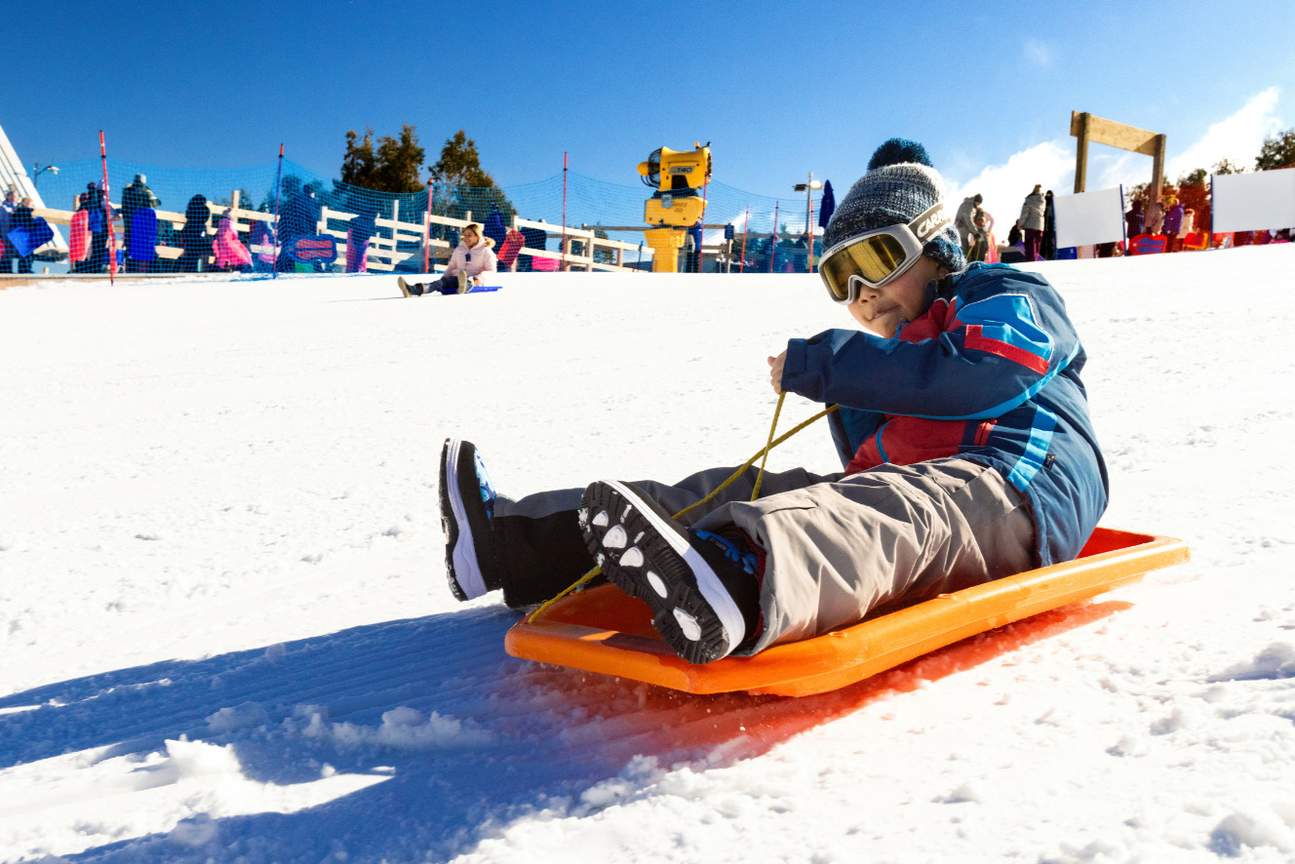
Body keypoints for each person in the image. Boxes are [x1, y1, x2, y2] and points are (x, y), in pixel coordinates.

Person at [436, 138, 1108, 665]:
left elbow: (982, 378)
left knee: (896, 512)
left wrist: (837, 365)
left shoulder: (1003, 294)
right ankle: (512, 544)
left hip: (1021, 489)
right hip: (922, 492)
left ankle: (742, 577)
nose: (861, 294)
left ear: (935, 247)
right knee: (751, 489)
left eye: (876, 259)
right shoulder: (894, 355)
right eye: (839, 279)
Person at [398, 222, 497, 296]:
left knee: (468, 281)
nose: (466, 238)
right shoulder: (459, 250)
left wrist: (478, 279)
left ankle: (466, 286)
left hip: (475, 280)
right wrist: (444, 279)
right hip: (455, 278)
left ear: (478, 236)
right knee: (438, 284)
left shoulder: (486, 251)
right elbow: (452, 265)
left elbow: (491, 270)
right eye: (464, 235)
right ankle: (412, 290)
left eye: (469, 235)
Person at [176, 194, 212, 272]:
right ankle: (200, 270)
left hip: (190, 232)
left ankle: (189, 269)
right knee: (201, 253)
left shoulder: (190, 210)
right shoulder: (205, 209)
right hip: (199, 232)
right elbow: (205, 218)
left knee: (190, 254)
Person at [1019, 184, 1045, 261]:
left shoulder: (1029, 200)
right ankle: (1036, 260)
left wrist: (1020, 224)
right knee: (1037, 245)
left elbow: (1025, 213)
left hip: (1030, 225)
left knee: (1030, 245)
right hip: (1040, 225)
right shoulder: (1043, 200)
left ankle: (1031, 262)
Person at [0, 189, 15, 274]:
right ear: (8, 196)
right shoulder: (4, 207)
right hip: (4, 232)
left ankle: (8, 269)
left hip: (13, 234)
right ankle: (3, 269)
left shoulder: (16, 207)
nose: (14, 198)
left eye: (16, 196)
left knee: (10, 252)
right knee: (3, 252)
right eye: (12, 196)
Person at [1041, 190, 1057, 260]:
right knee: (1044, 241)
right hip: (1045, 224)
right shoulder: (1044, 202)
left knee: (1050, 242)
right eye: (1047, 194)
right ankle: (1043, 256)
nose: (1048, 196)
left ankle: (1050, 257)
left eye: (1050, 194)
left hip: (1051, 224)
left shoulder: (1054, 202)